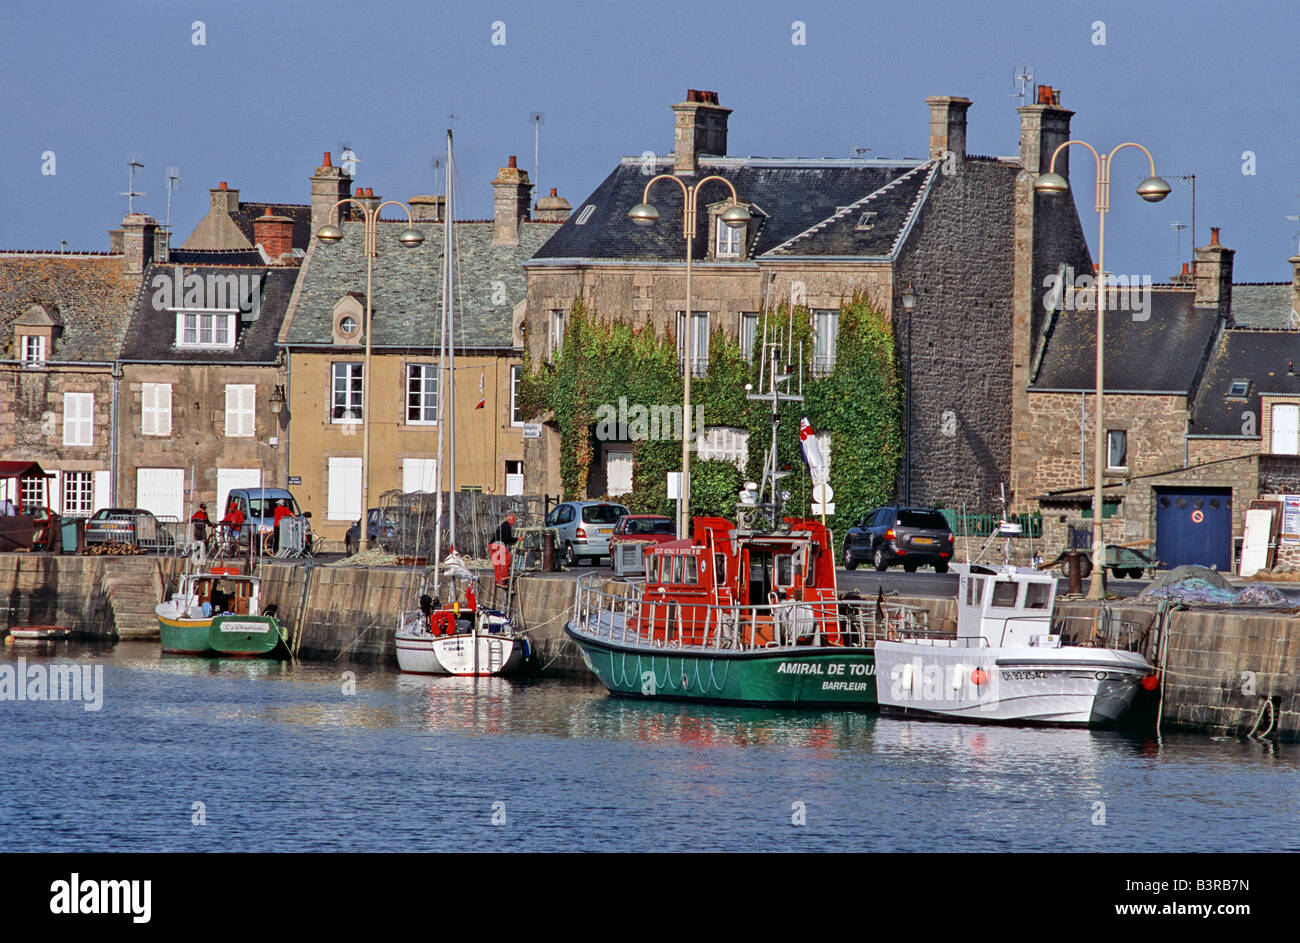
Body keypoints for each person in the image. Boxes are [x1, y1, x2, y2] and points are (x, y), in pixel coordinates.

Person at [489, 513, 518, 585]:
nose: (515, 521)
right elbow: (508, 539)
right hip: (498, 545)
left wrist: (509, 542)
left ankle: (499, 581)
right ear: (509, 520)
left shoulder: (502, 526)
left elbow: (505, 539)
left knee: (497, 563)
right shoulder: (507, 526)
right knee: (508, 557)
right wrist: (517, 539)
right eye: (513, 520)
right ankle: (504, 575)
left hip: (492, 545)